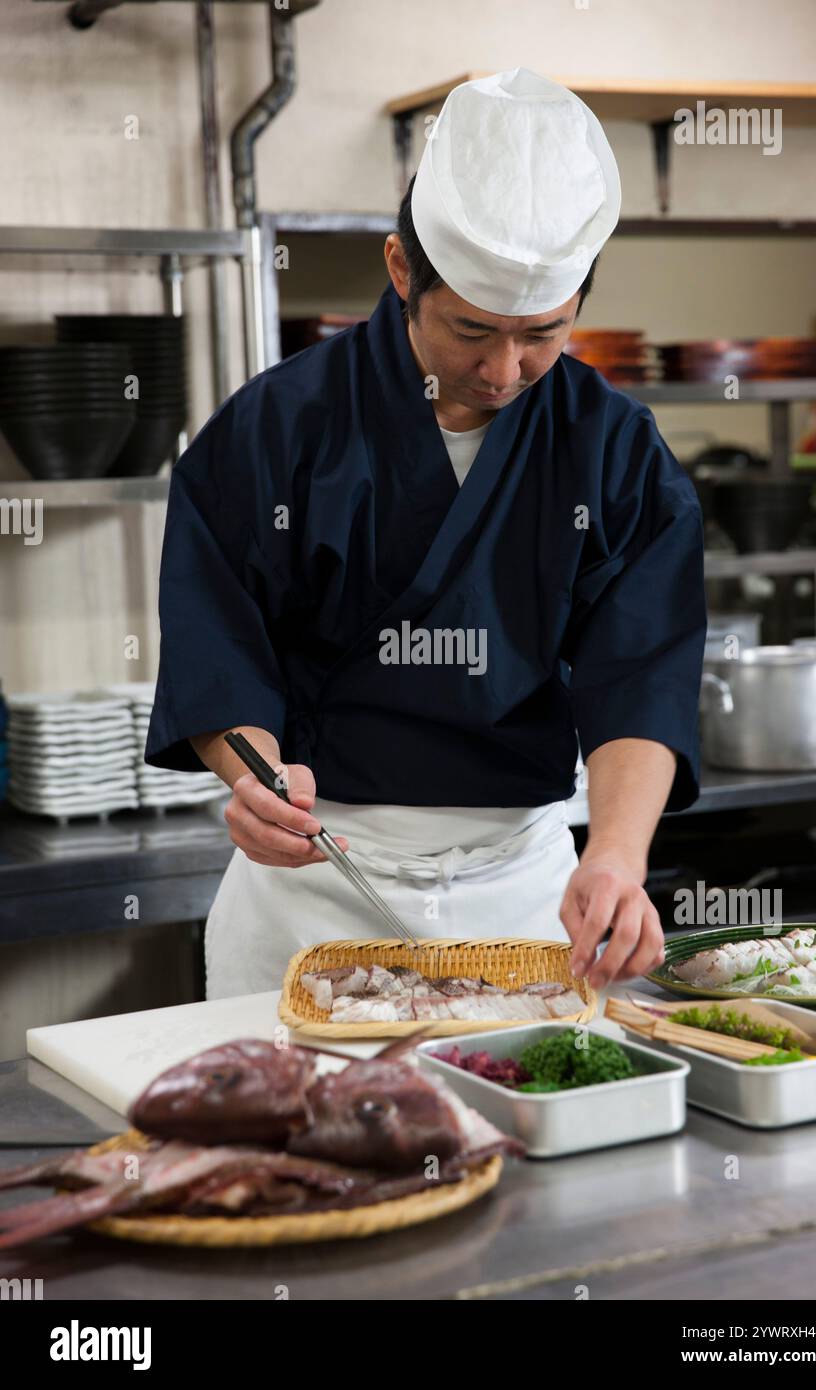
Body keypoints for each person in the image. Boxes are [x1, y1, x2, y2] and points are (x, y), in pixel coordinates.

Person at [145, 67, 706, 1000]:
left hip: (525, 894)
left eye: (544, 334)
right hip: (312, 883)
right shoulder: (277, 427)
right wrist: (253, 778)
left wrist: (615, 856)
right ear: (403, 268)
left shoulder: (612, 448)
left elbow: (639, 673)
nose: (503, 368)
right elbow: (220, 648)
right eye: (472, 329)